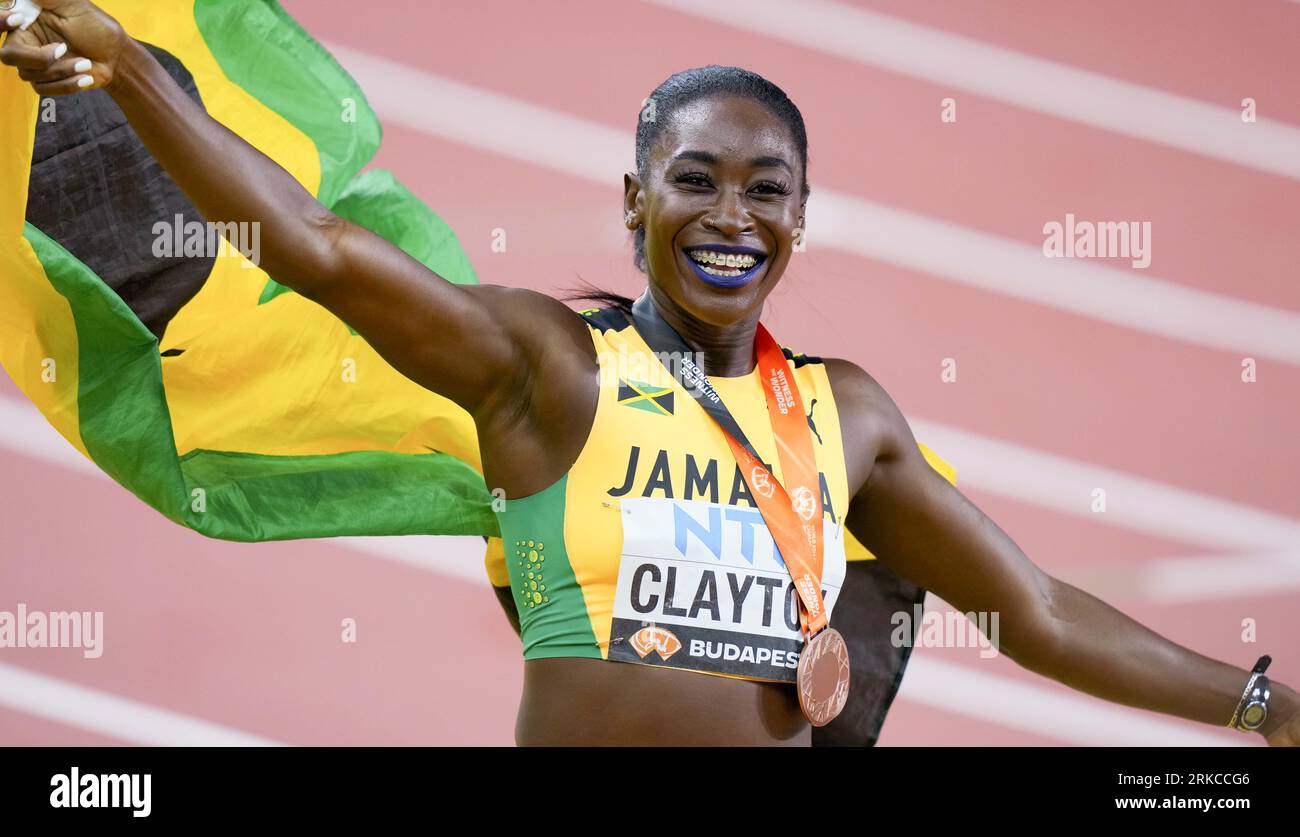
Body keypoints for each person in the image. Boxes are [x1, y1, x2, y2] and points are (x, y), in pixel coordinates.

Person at [3, 1, 1295, 747]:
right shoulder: (544, 372)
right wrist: (125, 69)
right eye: (695, 181)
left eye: (765, 190)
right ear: (635, 203)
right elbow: (313, 245)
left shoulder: (847, 422)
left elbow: (1044, 613)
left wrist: (1259, 708)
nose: (731, 217)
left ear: (801, 221)